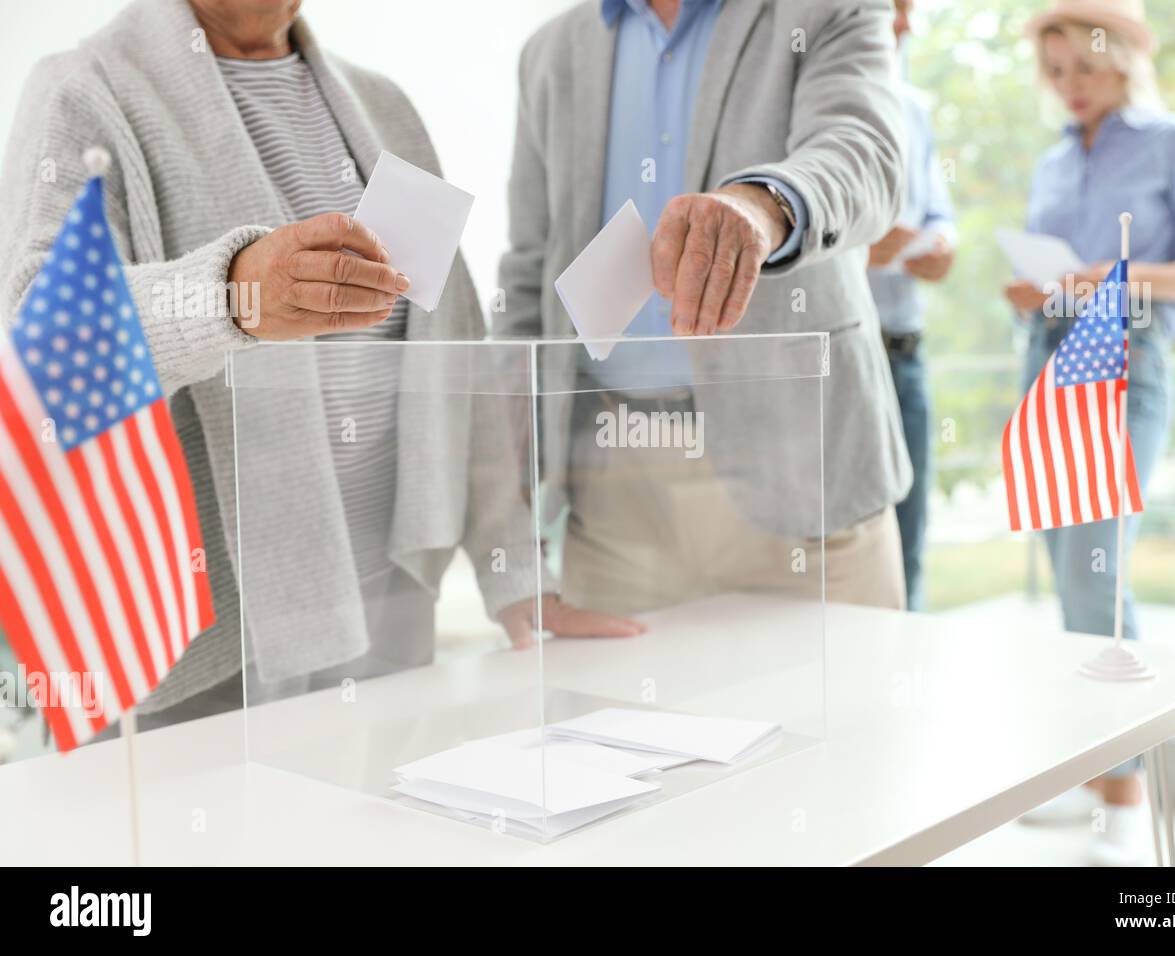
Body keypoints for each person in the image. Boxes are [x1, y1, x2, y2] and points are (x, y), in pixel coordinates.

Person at [0, 0, 642, 735]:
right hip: (203, 642)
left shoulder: (381, 105)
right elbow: (41, 343)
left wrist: (516, 575)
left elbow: (450, 355)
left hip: (390, 609)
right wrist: (232, 296)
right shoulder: (81, 91)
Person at [497, 0, 912, 615]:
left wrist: (767, 204)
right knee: (611, 712)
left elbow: (864, 153)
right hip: (610, 494)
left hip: (802, 483)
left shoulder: (828, 9)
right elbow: (530, 268)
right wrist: (510, 500)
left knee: (842, 710)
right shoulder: (551, 51)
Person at [1008, 0, 1175, 865]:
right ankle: (1101, 768)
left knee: (1098, 572)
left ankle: (1127, 791)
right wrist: (1041, 292)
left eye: (1087, 70)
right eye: (1057, 71)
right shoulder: (1055, 159)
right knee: (1070, 572)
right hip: (1052, 358)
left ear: (1126, 62)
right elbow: (1057, 274)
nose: (1071, 87)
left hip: (1127, 363)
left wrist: (1117, 274)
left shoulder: (1173, 139)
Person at [867, 0, 957, 611]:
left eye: (909, 9)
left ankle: (903, 693)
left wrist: (944, 245)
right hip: (838, 357)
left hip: (903, 353)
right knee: (843, 549)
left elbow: (939, 210)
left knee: (908, 542)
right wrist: (850, 247)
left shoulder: (914, 109)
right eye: (891, 8)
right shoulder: (798, 99)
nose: (906, 25)